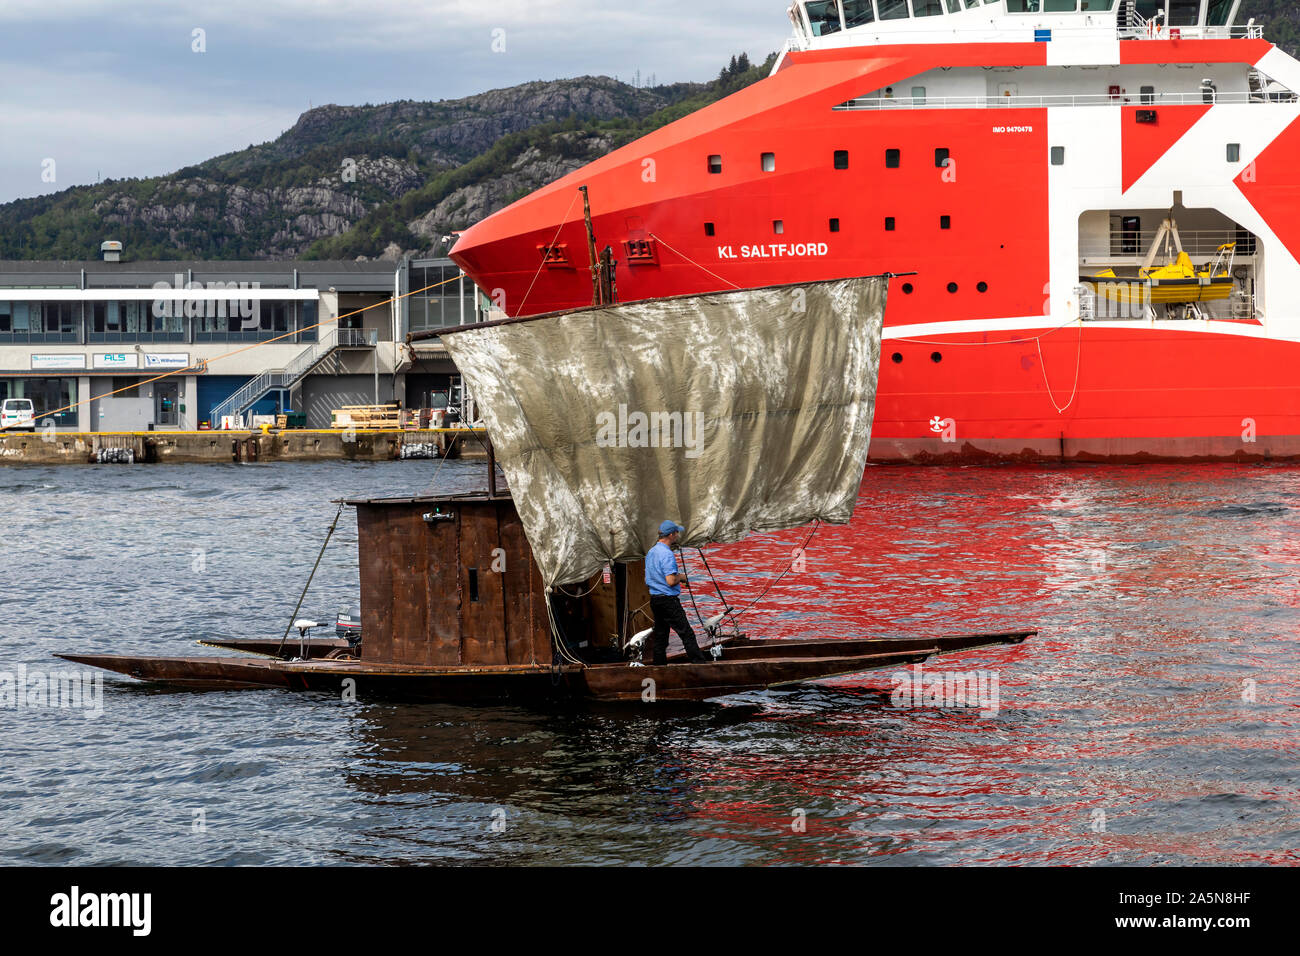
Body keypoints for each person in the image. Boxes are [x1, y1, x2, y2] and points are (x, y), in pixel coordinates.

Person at [645, 520, 709, 665]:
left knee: (661, 636)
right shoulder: (667, 554)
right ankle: (700, 666)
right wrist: (682, 577)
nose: (678, 535)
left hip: (655, 600)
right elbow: (671, 580)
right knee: (686, 633)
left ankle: (658, 667)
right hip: (668, 600)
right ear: (672, 535)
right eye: (677, 533)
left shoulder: (651, 551)